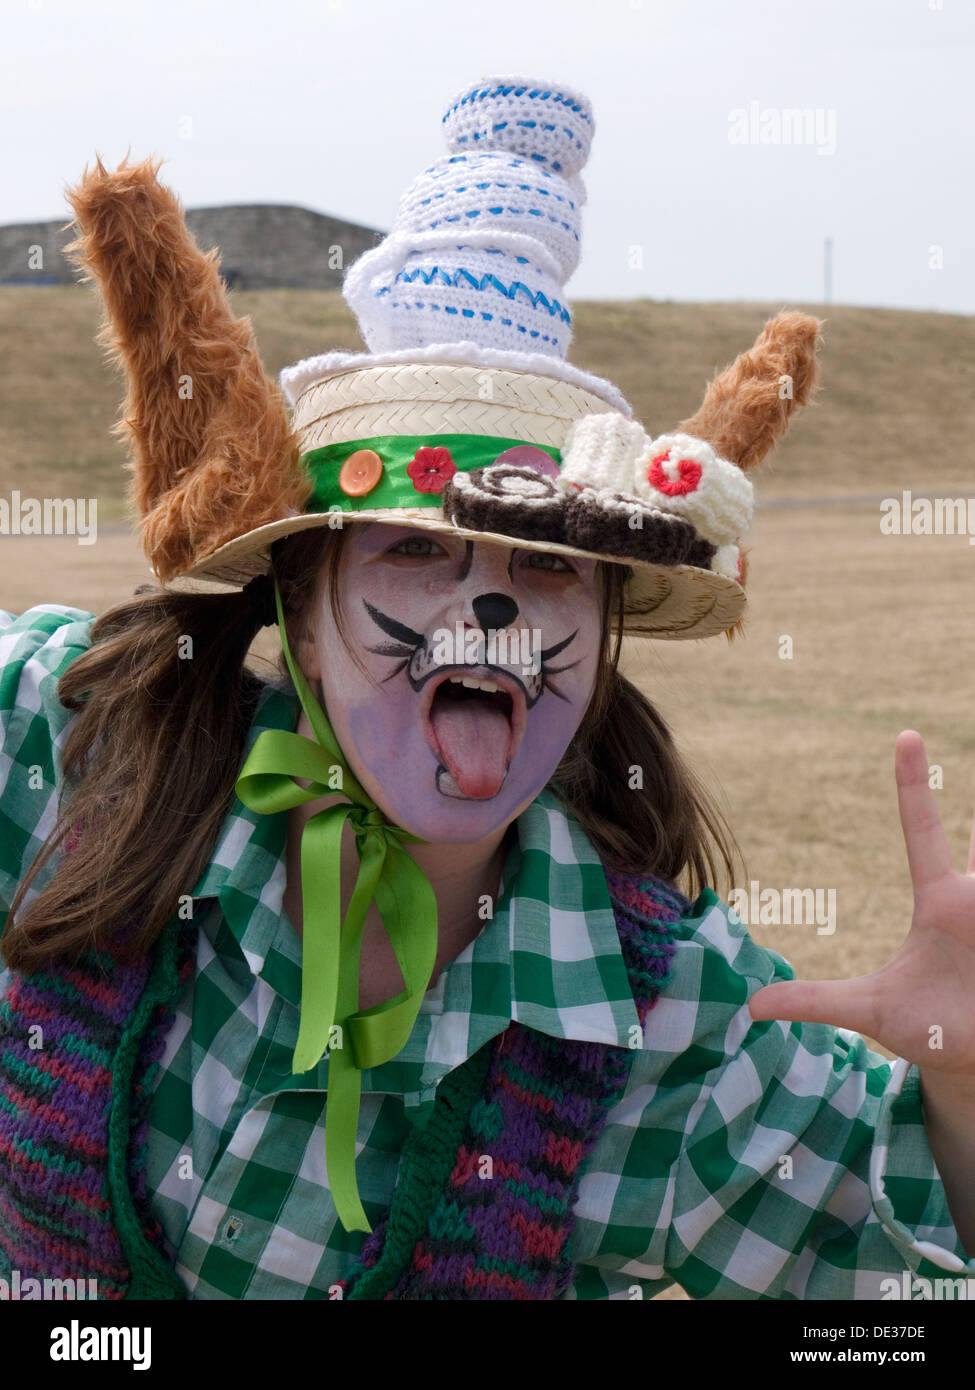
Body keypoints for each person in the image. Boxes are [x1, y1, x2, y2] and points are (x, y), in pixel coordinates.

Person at [1, 75, 974, 1302]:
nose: (495, 608)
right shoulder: (66, 752)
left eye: (549, 564)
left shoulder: (669, 1024)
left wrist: (964, 1090)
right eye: (415, 548)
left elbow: (910, 1280)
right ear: (299, 606)